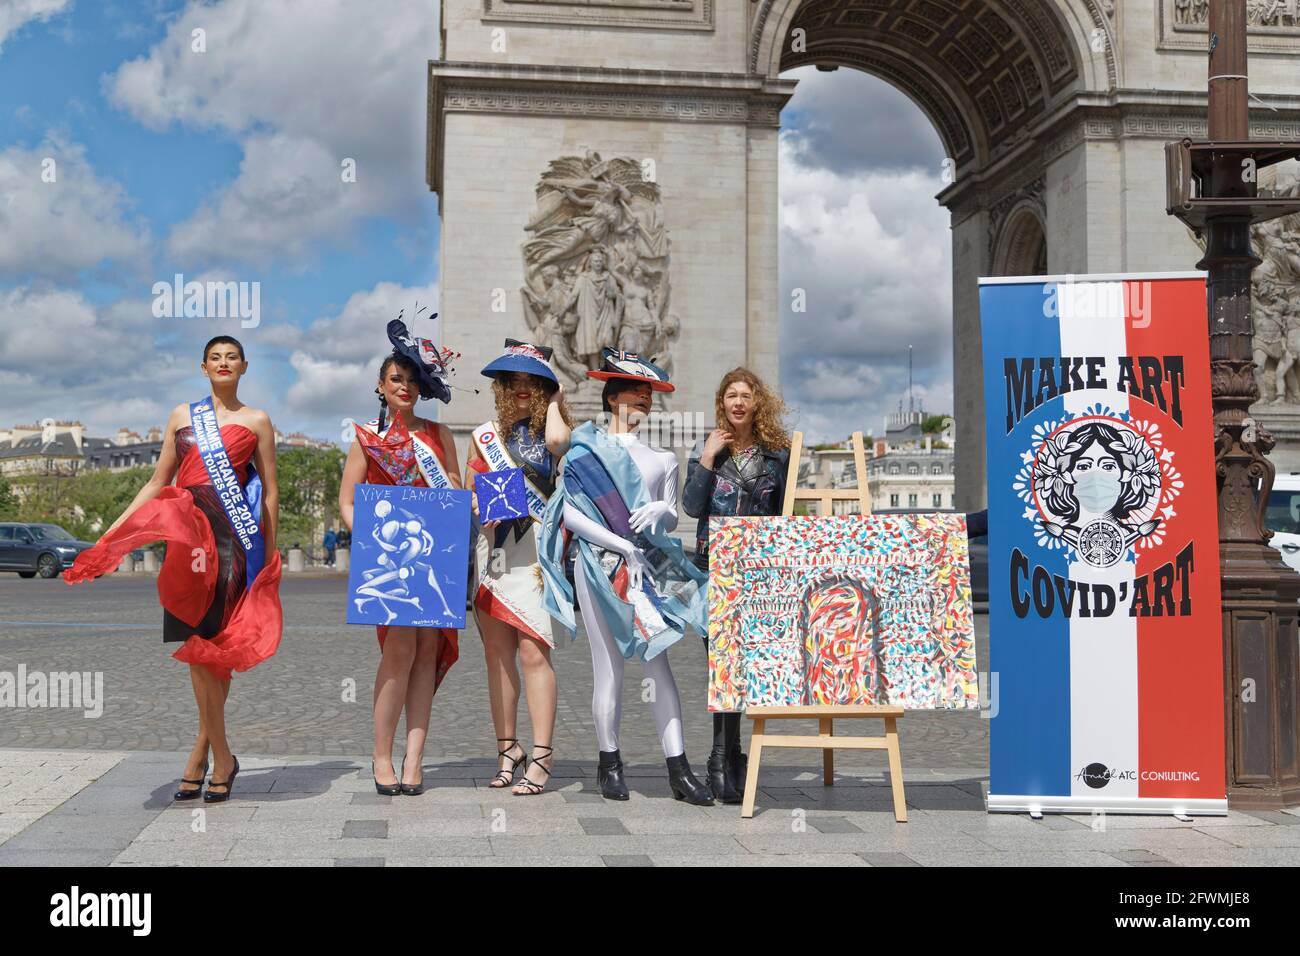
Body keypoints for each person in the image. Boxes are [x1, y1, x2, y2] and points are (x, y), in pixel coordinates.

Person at [65, 335, 282, 803]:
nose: (223, 364)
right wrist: (110, 534)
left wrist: (269, 555)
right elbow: (157, 480)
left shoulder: (258, 420)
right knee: (195, 647)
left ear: (244, 366)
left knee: (216, 652)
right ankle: (217, 754)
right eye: (215, 358)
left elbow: (268, 494)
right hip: (187, 541)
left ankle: (207, 756)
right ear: (203, 367)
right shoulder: (182, 416)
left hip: (233, 543)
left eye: (232, 358)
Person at [539, 349, 714, 805]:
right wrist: (621, 546)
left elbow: (671, 518)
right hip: (599, 566)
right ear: (613, 397)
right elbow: (572, 516)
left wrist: (663, 509)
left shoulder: (663, 458)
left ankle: (679, 768)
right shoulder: (585, 447)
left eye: (648, 396)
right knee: (608, 669)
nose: (644, 402)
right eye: (636, 394)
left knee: (659, 663)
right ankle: (609, 764)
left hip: (650, 569)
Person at [339, 317, 464, 797]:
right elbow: (348, 500)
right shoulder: (365, 437)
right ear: (381, 385)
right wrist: (368, 539)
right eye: (396, 380)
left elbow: (454, 489)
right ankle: (381, 755)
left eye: (412, 381)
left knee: (428, 653)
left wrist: (452, 489)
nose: (405, 388)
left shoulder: (438, 433)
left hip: (433, 558)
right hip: (390, 560)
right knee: (399, 652)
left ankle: (415, 758)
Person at [466, 340, 573, 795]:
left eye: (534, 382)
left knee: (534, 651)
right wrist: (475, 501)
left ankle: (543, 754)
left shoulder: (557, 429)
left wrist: (558, 397)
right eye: (516, 381)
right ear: (504, 387)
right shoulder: (483, 434)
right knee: (497, 656)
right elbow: (471, 485)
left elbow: (557, 444)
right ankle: (508, 748)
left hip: (536, 552)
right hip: (493, 551)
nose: (524, 389)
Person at [682, 367, 791, 804]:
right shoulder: (708, 449)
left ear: (757, 402)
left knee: (741, 669)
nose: (739, 402)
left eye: (746, 395)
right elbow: (691, 506)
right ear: (722, 402)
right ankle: (719, 759)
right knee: (718, 668)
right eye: (731, 395)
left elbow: (782, 516)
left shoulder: (777, 456)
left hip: (757, 575)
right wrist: (707, 457)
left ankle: (732, 757)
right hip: (713, 571)